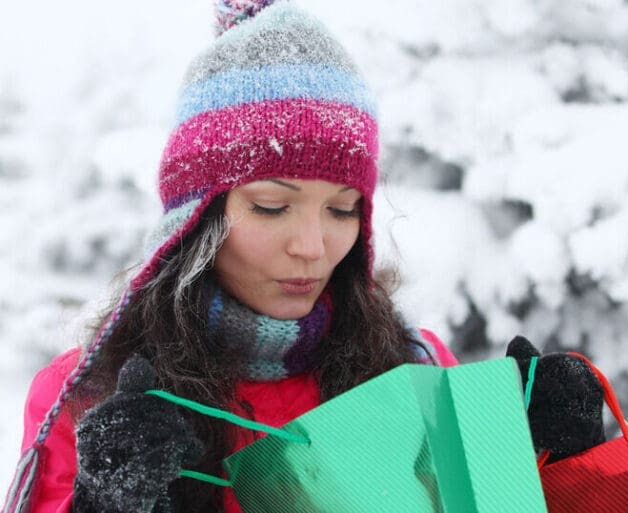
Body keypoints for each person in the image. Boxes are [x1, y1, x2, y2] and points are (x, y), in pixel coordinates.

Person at [3, 2, 458, 513]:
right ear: (196, 217)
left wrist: (555, 459)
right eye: (271, 207)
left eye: (341, 209)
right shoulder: (89, 397)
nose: (312, 246)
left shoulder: (413, 366)